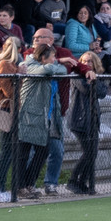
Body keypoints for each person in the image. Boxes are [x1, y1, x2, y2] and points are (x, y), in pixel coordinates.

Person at [27, 27, 81, 195]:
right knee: (32, 152)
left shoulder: (63, 52)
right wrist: (59, 63)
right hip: (35, 115)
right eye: (34, 38)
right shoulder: (29, 56)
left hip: (54, 114)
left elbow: (74, 66)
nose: (35, 41)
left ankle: (51, 184)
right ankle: (27, 184)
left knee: (56, 150)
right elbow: (43, 69)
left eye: (39, 38)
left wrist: (88, 71)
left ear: (49, 40)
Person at [64, 41, 108, 195]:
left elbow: (102, 92)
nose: (87, 63)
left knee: (93, 153)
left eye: (90, 61)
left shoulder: (96, 76)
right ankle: (73, 180)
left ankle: (83, 182)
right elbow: (85, 89)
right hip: (79, 119)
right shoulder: (77, 75)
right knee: (88, 152)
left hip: (93, 119)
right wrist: (91, 84)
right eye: (84, 61)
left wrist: (93, 82)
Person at [0, 35, 23, 203]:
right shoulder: (6, 64)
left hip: (2, 105)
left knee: (7, 150)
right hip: (5, 108)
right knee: (6, 151)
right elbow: (9, 92)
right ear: (18, 50)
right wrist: (19, 75)